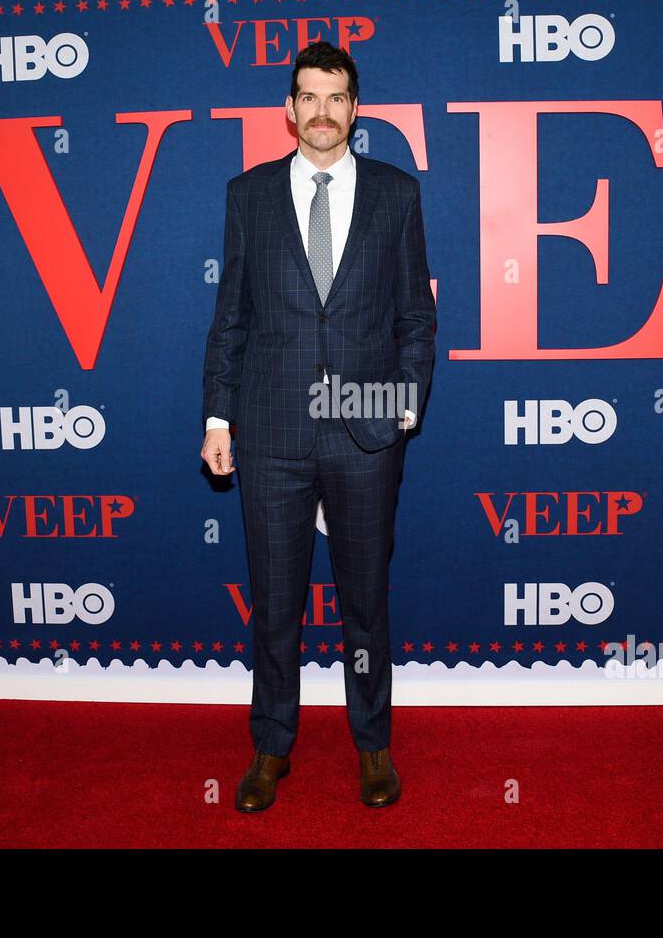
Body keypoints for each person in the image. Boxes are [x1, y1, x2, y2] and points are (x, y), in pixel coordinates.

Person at [200, 40, 436, 811]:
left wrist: (402, 407)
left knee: (365, 599)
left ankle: (373, 744)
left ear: (355, 108)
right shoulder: (249, 195)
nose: (323, 112)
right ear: (290, 109)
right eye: (309, 96)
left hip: (366, 434)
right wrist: (217, 416)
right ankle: (272, 744)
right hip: (269, 432)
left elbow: (416, 317)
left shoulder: (397, 194)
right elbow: (229, 319)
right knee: (275, 600)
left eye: (337, 97)